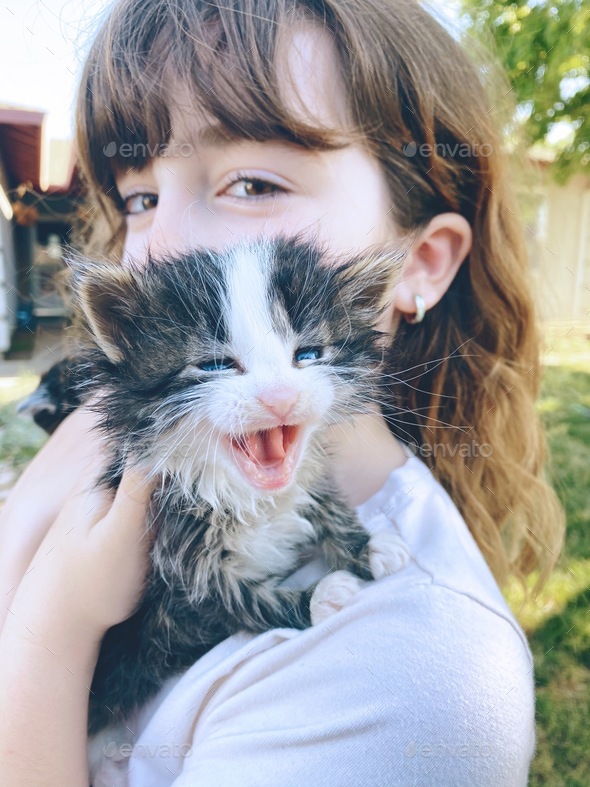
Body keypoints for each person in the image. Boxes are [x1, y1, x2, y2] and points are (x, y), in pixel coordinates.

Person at [0, 1, 566, 784]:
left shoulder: (409, 686)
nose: (159, 249)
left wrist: (48, 624)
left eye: (253, 182)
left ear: (419, 263)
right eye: (139, 199)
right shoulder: (126, 447)